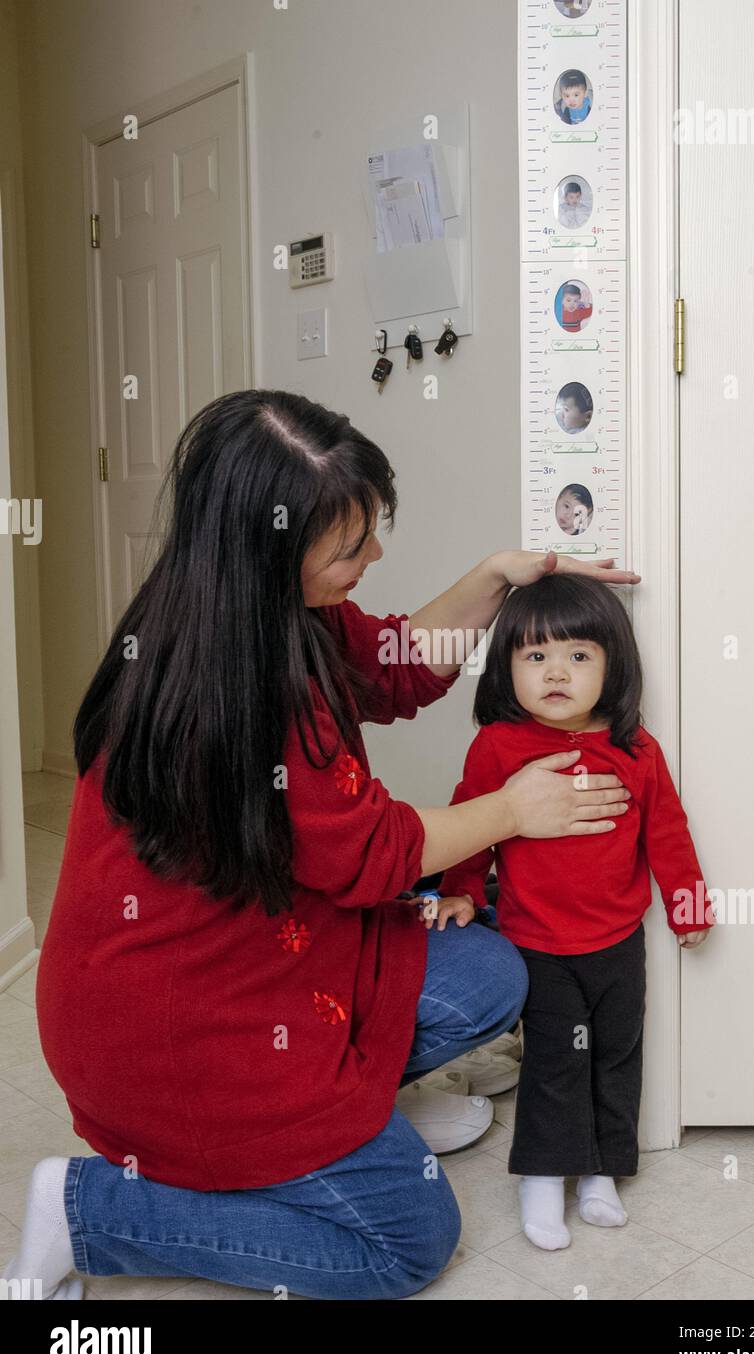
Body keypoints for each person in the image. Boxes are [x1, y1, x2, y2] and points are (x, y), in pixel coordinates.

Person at [5, 388, 640, 1301]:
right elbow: (373, 853)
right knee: (409, 1242)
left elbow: (398, 661)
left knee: (495, 969)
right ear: (268, 548)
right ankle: (88, 1211)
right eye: (352, 546)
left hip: (264, 959)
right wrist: (512, 810)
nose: (374, 557)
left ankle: (360, 1112)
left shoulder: (257, 609)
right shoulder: (240, 686)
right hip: (182, 1036)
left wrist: (497, 574)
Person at [418, 572, 714, 1251]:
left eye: (578, 656)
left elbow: (666, 832)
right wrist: (461, 889)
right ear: (507, 668)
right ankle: (544, 1178)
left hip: (618, 941)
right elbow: (472, 824)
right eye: (536, 656)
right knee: (555, 1061)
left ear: (612, 666)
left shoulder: (637, 750)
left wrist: (688, 899)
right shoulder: (496, 747)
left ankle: (603, 1174)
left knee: (616, 1055)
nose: (557, 672)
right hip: (538, 944)